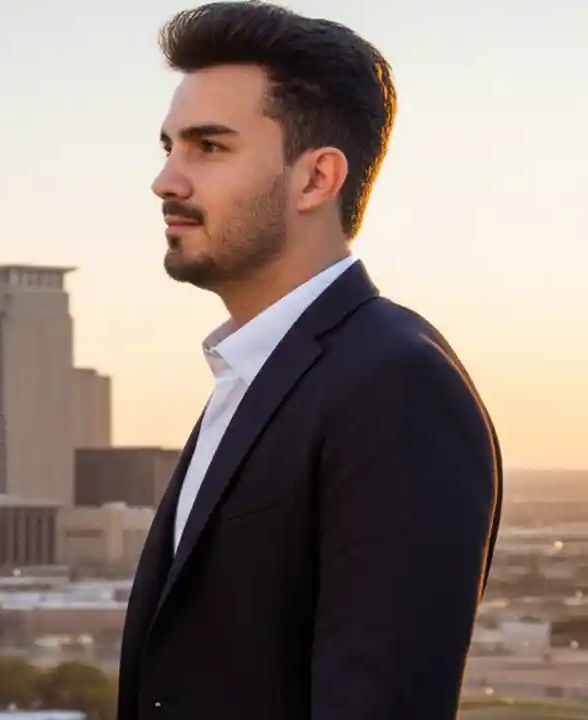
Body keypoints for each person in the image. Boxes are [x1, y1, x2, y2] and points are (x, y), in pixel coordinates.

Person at [117, 3, 503, 718]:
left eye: (209, 147)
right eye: (168, 146)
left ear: (316, 179)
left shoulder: (398, 385)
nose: (166, 180)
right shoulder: (256, 375)